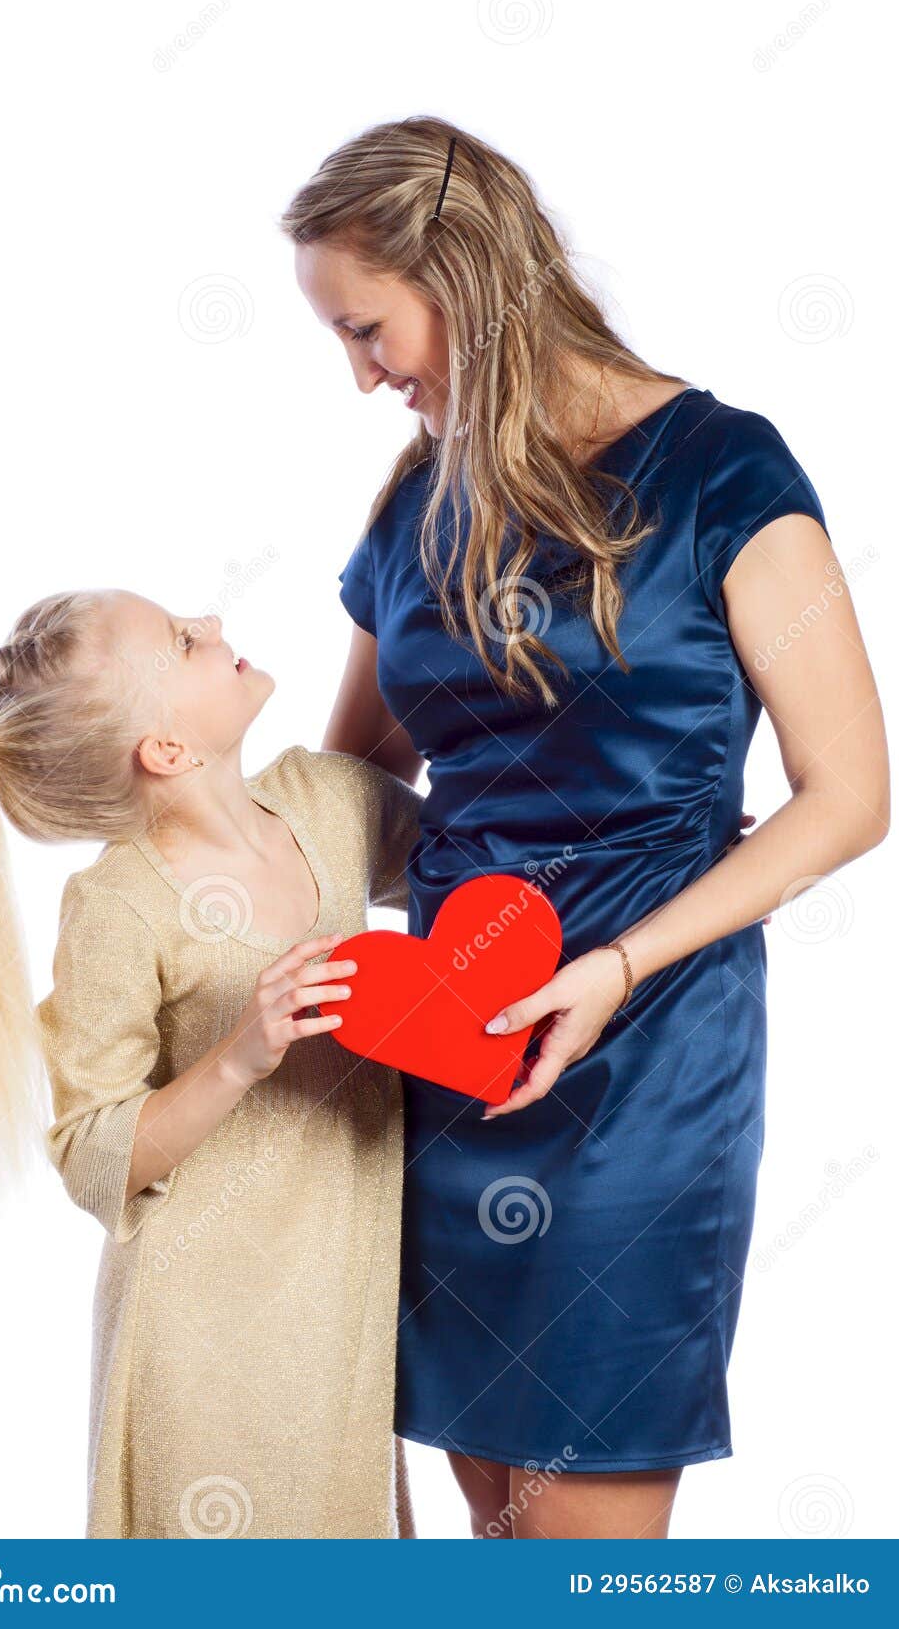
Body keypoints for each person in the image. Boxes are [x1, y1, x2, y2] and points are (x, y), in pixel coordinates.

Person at [282, 116, 889, 1539]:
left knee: (576, 1551)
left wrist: (614, 965)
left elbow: (850, 793)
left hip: (646, 1051)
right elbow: (347, 783)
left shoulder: (720, 471)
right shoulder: (418, 508)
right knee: (491, 1527)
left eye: (367, 329)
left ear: (463, 278)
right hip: (455, 1044)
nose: (362, 375)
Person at [0, 587, 421, 1538]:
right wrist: (240, 1053)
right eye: (182, 639)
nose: (212, 623)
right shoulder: (118, 905)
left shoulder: (328, 802)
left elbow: (487, 855)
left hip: (341, 1319)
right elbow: (95, 1154)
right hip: (204, 1344)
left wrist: (668, 834)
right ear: (167, 751)